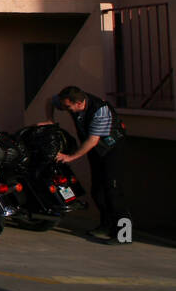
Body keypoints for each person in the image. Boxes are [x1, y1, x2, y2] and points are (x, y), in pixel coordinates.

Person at [42, 85, 131, 243]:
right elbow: (50, 100)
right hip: (96, 151)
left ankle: (124, 234)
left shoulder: (100, 111)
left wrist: (70, 157)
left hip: (112, 150)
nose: (64, 108)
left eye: (67, 107)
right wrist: (50, 119)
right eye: (63, 105)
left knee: (113, 191)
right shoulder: (70, 102)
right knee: (97, 190)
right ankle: (106, 224)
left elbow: (92, 140)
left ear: (79, 103)